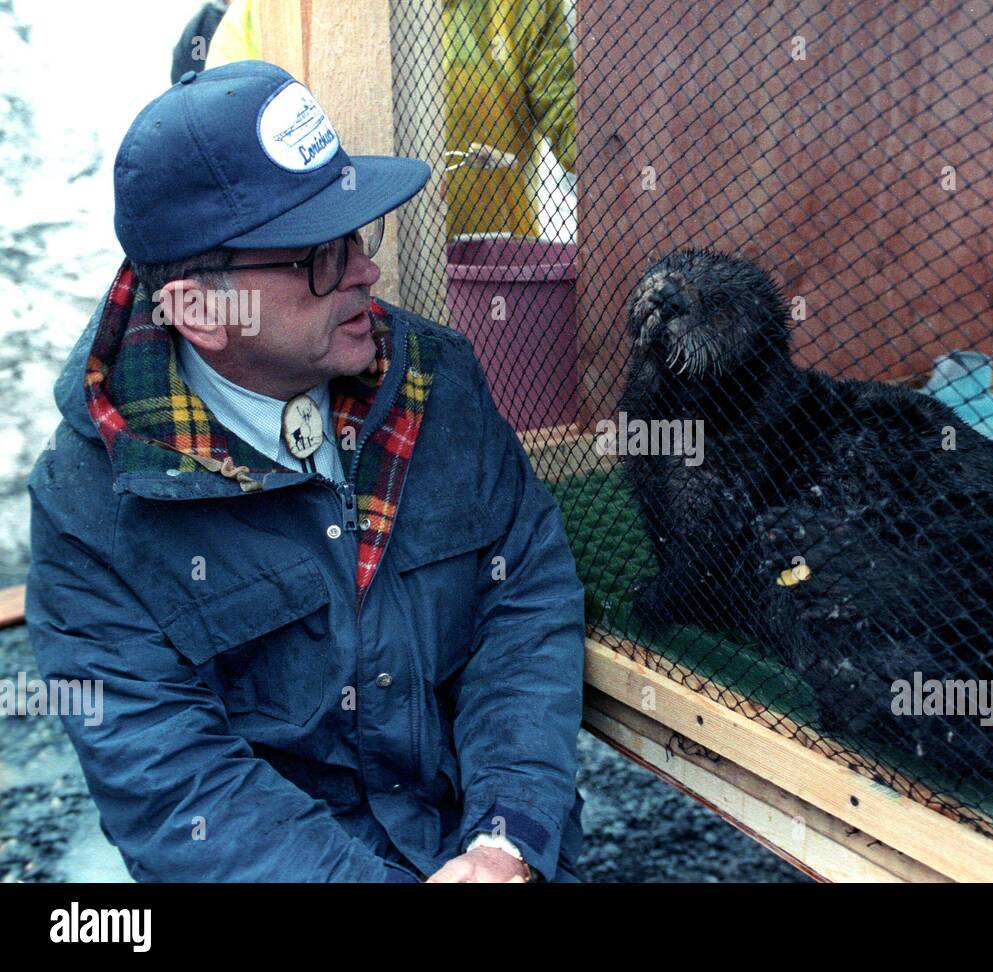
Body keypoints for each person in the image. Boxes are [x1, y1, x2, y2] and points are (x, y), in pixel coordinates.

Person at [25, 61, 586, 883]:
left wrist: (507, 837)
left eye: (359, 234)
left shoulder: (438, 376)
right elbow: (177, 788)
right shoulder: (90, 511)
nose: (366, 272)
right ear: (201, 312)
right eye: (319, 257)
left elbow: (525, 600)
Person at [206, 0, 577, 239]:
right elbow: (229, 155)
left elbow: (580, 138)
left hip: (488, 272)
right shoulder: (268, 15)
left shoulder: (520, 8)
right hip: (326, 274)